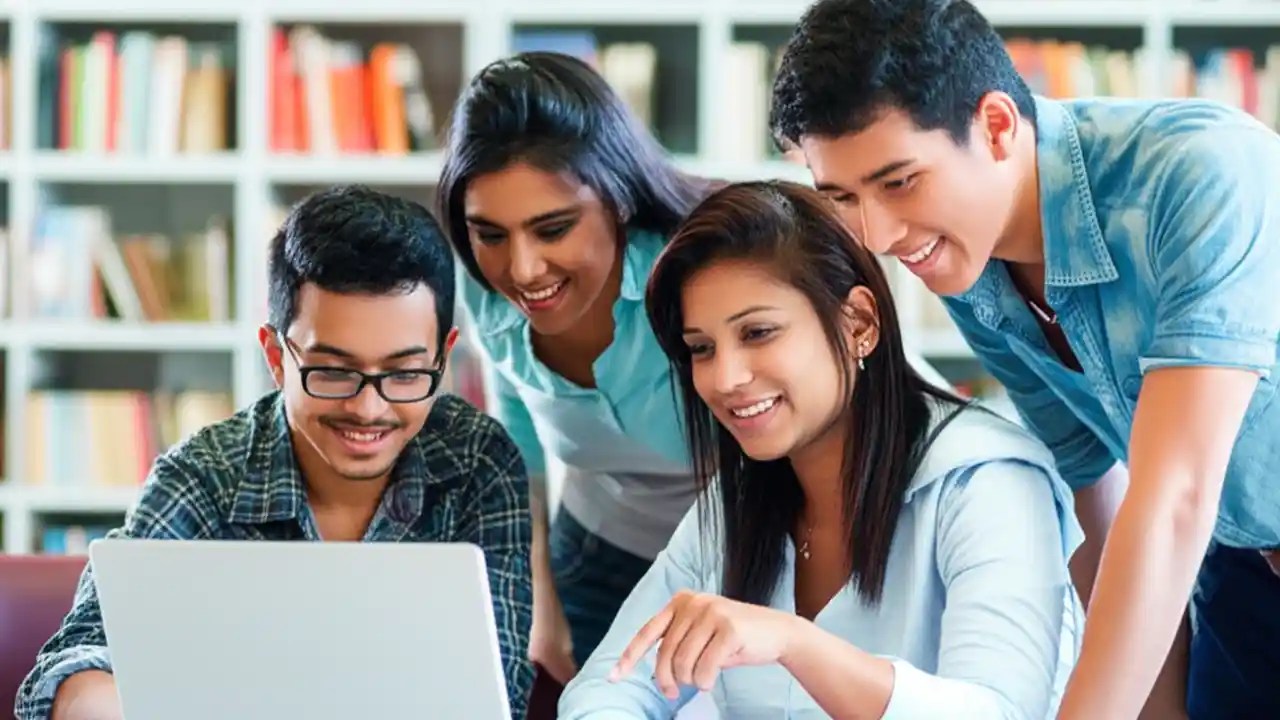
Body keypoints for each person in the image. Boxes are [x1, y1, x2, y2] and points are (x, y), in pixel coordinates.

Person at [769, 1, 1280, 718]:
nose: (878, 236)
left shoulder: (1198, 174)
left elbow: (1173, 500)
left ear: (998, 126)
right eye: (843, 197)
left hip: (1205, 534)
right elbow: (1096, 494)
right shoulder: (966, 262)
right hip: (1239, 571)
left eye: (899, 181)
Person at [558, 180, 1084, 719]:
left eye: (759, 332)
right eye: (702, 349)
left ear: (859, 322)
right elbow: (609, 684)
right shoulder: (736, 501)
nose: (726, 377)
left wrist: (794, 643)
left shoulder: (986, 482)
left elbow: (998, 713)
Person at [14, 185, 534, 720]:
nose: (367, 408)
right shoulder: (203, 476)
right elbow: (83, 656)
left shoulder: (478, 464)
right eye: (332, 371)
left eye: (404, 374)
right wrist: (92, 697)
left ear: (443, 358)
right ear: (276, 356)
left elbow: (499, 691)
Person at [436, 51, 714, 685]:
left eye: (553, 228)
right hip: (595, 548)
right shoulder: (483, 287)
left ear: (616, 199)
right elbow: (519, 435)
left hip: (738, 551)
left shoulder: (703, 271)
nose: (523, 270)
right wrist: (540, 596)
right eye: (491, 234)